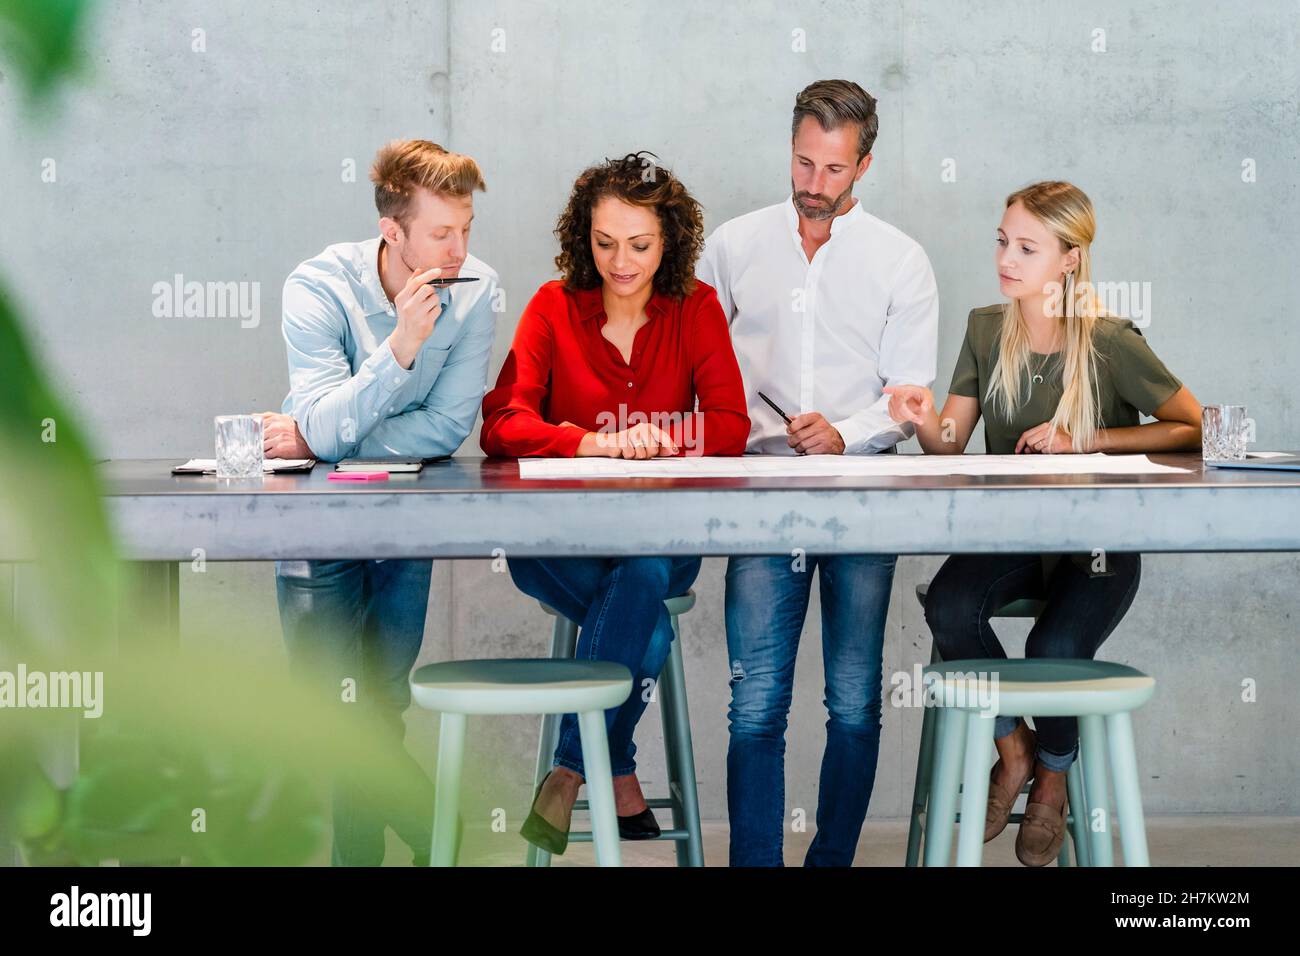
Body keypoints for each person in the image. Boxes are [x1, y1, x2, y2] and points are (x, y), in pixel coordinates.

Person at [883, 179, 1202, 865]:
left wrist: (1088, 438)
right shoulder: (984, 329)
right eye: (1003, 240)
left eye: (1027, 247)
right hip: (1014, 538)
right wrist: (918, 419)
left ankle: (1054, 778)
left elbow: (1193, 427)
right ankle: (1016, 747)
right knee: (949, 605)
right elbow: (951, 439)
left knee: (1053, 646)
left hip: (1098, 545)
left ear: (1068, 259)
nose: (1007, 257)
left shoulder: (1110, 339)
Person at [696, 79, 940, 866]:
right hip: (761, 491)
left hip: (864, 494)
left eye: (834, 170)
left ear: (863, 166)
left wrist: (847, 431)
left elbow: (909, 396)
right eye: (804, 164)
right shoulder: (733, 245)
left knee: (855, 703)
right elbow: (699, 364)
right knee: (755, 705)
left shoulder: (901, 261)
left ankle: (831, 861)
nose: (814, 185)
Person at [480, 151, 749, 855]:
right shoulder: (552, 306)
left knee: (642, 575)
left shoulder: (695, 309)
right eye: (604, 244)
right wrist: (588, 443)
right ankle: (615, 766)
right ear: (583, 239)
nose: (621, 262)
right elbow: (502, 422)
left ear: (670, 241)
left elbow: (730, 425)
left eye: (639, 245)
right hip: (555, 544)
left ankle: (568, 771)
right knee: (648, 626)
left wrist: (654, 438)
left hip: (660, 538)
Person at [264, 139, 500, 865]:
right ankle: (433, 823)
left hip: (405, 520)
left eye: (465, 227)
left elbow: (449, 427)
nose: (459, 249)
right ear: (393, 232)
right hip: (316, 525)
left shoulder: (478, 288)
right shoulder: (316, 288)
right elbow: (333, 429)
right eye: (441, 233)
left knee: (381, 709)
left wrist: (327, 431)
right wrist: (399, 347)